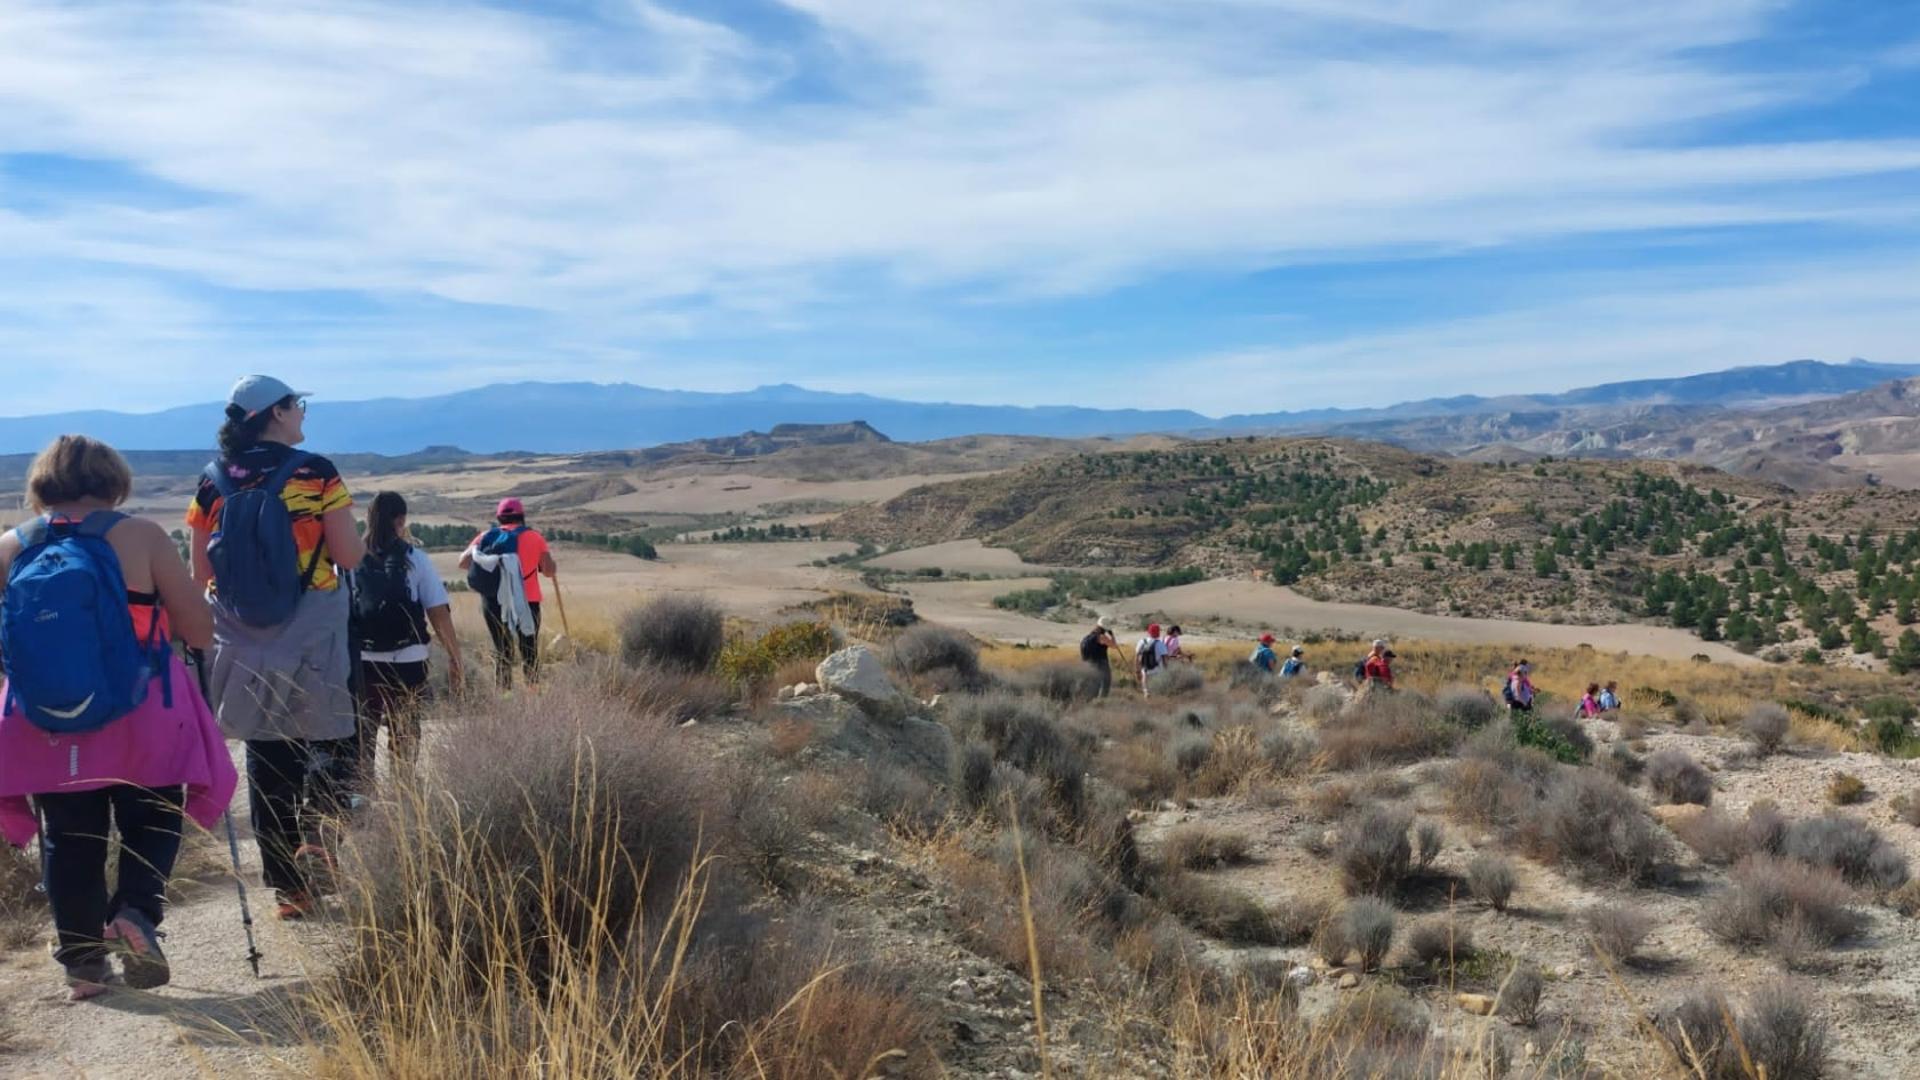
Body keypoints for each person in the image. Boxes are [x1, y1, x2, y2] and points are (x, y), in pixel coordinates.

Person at [0, 436, 237, 999]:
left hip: (45, 718)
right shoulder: (142, 536)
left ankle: (83, 966)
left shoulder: (11, 546)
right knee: (151, 816)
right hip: (143, 708)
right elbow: (199, 631)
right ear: (113, 480)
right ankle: (135, 911)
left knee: (69, 836)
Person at [188, 376, 365, 921]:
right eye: (298, 405)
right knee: (333, 734)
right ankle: (321, 837)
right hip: (312, 623)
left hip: (241, 633)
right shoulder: (315, 471)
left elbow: (199, 570)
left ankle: (290, 890)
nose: (303, 413)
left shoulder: (213, 480)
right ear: (277, 413)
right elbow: (350, 555)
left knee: (267, 751)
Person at [349, 491, 465, 788]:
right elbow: (438, 612)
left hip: (364, 662)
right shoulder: (416, 559)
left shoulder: (350, 558)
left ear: (368, 519)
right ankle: (403, 793)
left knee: (365, 732)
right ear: (401, 521)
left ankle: (365, 796)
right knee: (405, 730)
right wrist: (455, 657)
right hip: (409, 660)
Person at [458, 498, 555, 689]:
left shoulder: (485, 536)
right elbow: (549, 571)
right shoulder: (534, 537)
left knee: (502, 649)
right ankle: (533, 693)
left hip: (493, 600)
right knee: (529, 649)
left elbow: (463, 563)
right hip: (527, 601)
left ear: (499, 517)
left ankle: (504, 694)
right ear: (522, 516)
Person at [1079, 616, 1119, 698]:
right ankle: (1101, 701)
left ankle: (1091, 700)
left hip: (1089, 664)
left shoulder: (1088, 637)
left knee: (1094, 683)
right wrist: (1111, 634)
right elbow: (1114, 646)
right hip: (1101, 663)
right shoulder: (1101, 637)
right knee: (1105, 682)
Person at [1136, 623, 1168, 696]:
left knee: (1145, 678)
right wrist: (1166, 669)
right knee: (1156, 685)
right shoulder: (1160, 644)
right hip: (1157, 668)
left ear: (1149, 632)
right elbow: (1165, 659)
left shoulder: (1142, 642)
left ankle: (1146, 692)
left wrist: (1137, 670)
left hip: (1145, 667)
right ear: (1158, 633)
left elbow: (1137, 656)